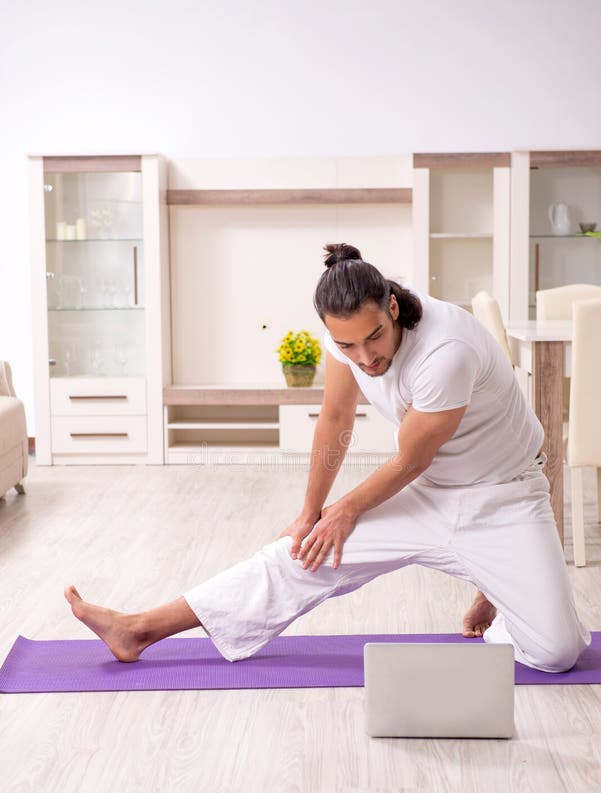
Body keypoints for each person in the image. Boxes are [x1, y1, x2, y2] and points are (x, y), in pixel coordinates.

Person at [65, 243, 591, 673]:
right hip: (430, 495)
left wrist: (345, 510)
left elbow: (411, 459)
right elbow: (336, 420)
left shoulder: (445, 350)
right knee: (306, 552)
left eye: (374, 339)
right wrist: (310, 513)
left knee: (558, 651)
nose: (365, 357)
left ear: (391, 306)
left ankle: (501, 590)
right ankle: (137, 629)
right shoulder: (346, 339)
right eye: (348, 347)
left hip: (504, 496)